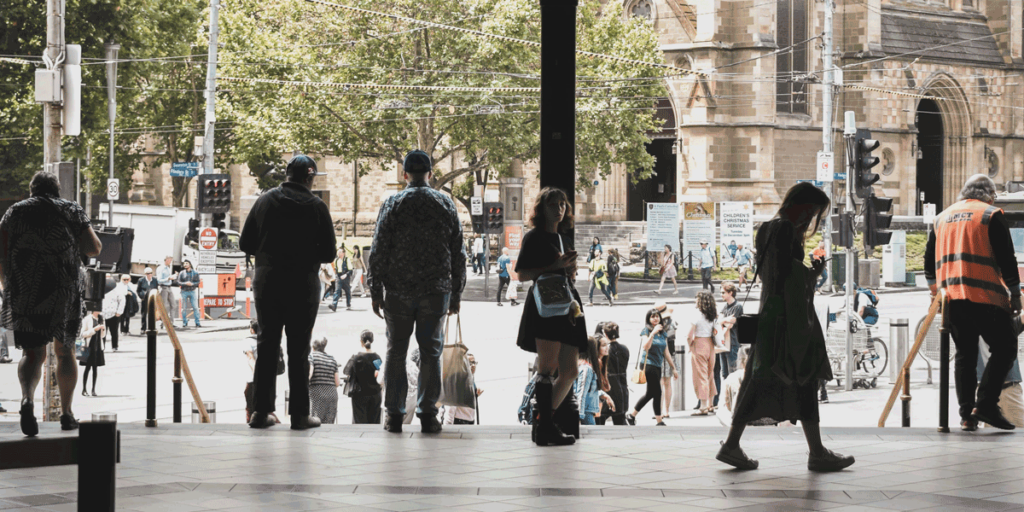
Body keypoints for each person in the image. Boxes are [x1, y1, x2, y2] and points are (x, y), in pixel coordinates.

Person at [718, 181, 854, 472]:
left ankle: (734, 444)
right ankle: (816, 453)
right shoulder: (785, 230)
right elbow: (787, 276)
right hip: (789, 319)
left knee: (759, 381)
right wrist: (812, 274)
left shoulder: (767, 227)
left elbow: (772, 274)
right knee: (802, 378)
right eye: (813, 212)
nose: (811, 220)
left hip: (771, 314)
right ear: (802, 206)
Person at [369, 149, 465, 434]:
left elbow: (379, 249)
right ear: (431, 174)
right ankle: (427, 414)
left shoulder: (393, 203)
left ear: (404, 174)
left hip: (398, 290)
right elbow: (458, 252)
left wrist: (376, 290)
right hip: (435, 291)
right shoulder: (445, 203)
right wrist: (456, 294)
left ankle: (394, 416)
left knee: (396, 352)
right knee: (431, 353)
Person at [0, 170, 103, 435]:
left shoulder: (15, 212)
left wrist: (6, 286)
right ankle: (67, 414)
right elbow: (93, 248)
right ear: (57, 190)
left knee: (32, 353)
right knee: (64, 351)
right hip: (64, 290)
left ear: (32, 190)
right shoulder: (71, 209)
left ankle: (26, 399)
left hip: (26, 290)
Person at [240, 154, 337, 430]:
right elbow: (329, 252)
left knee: (267, 343)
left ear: (287, 174)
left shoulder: (265, 200)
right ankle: (299, 415)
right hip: (302, 285)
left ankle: (260, 412)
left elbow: (245, 241)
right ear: (310, 178)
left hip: (268, 281)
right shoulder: (317, 207)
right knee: (298, 348)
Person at [925, 174, 1020, 431]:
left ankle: (967, 416)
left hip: (952, 301)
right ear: (988, 194)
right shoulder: (990, 214)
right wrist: (1016, 295)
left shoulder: (941, 217)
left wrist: (937, 295)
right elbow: (1008, 260)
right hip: (986, 297)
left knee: (965, 355)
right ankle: (986, 404)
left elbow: (928, 267)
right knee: (1006, 346)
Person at [514, 186, 586, 446]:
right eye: (553, 205)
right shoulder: (534, 237)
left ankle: (544, 421)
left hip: (567, 304)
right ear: (541, 208)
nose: (559, 209)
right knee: (547, 367)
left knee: (570, 370)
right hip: (546, 305)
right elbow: (521, 274)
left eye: (563, 205)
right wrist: (554, 266)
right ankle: (545, 426)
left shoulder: (564, 238)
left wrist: (570, 268)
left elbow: (566, 272)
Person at [625, 308, 672, 426]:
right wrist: (652, 333)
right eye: (653, 316)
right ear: (648, 319)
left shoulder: (663, 333)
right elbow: (646, 347)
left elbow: (666, 352)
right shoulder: (646, 331)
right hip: (648, 364)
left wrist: (673, 367)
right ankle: (659, 420)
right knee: (657, 392)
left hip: (658, 365)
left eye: (657, 316)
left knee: (650, 393)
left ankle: (632, 415)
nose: (656, 318)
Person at [686, 291, 719, 415]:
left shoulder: (697, 315)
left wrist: (690, 344)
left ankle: (703, 406)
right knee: (710, 374)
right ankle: (711, 403)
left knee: (701, 375)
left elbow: (690, 335)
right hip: (711, 344)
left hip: (699, 343)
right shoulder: (713, 314)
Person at [343, 330, 383, 424]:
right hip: (375, 394)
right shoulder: (376, 358)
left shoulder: (356, 358)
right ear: (372, 341)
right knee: (374, 423)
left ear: (361, 342)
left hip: (359, 394)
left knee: (359, 423)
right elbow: (381, 373)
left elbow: (346, 371)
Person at [574, 337, 614, 425]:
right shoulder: (586, 368)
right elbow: (582, 391)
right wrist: (580, 413)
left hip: (586, 410)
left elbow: (588, 390)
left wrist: (605, 395)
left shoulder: (582, 365)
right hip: (586, 411)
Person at [596, 322, 629, 425]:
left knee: (600, 420)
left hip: (608, 389)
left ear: (605, 334)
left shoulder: (605, 351)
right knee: (620, 420)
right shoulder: (625, 349)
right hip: (622, 389)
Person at [653, 302, 680, 418]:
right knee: (667, 383)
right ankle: (666, 411)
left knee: (660, 383)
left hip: (660, 355)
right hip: (670, 354)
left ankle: (659, 411)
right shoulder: (672, 323)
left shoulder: (659, 325)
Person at [308, 337, 340, 424]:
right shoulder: (332, 359)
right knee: (328, 425)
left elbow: (309, 374)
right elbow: (337, 383)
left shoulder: (312, 356)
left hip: (317, 395)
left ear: (313, 347)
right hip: (332, 395)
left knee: (316, 423)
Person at [445, 353, 483, 424]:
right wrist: (448, 427)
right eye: (470, 363)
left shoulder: (470, 381)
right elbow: (451, 408)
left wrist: (475, 395)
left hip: (470, 422)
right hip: (459, 422)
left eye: (474, 362)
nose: (473, 365)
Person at [717, 346, 750, 427]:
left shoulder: (734, 377)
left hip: (740, 419)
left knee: (720, 412)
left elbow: (725, 403)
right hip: (769, 418)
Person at [79, 310, 105, 397]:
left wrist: (103, 329)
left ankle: (93, 389)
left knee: (95, 368)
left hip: (97, 346)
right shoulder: (87, 319)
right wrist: (94, 329)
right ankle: (84, 389)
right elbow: (82, 334)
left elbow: (102, 336)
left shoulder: (101, 318)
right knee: (87, 368)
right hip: (88, 346)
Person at [719, 282, 743, 376]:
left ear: (730, 293)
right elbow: (717, 322)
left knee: (732, 372)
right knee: (724, 373)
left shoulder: (737, 306)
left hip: (732, 343)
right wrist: (725, 320)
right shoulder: (725, 306)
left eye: (723, 292)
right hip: (723, 342)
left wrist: (723, 321)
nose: (721, 295)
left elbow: (730, 325)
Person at [102, 275, 126, 351]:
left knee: (114, 331)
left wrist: (119, 312)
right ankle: (102, 347)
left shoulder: (117, 289)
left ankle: (114, 346)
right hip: (102, 314)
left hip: (113, 314)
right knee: (102, 332)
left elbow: (122, 300)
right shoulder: (100, 288)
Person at [155, 256, 178, 329]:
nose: (171, 261)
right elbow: (159, 280)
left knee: (173, 305)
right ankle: (163, 323)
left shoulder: (168, 268)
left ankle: (171, 322)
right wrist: (168, 278)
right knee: (164, 306)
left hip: (169, 287)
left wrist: (174, 276)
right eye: (170, 260)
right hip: (163, 287)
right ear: (166, 260)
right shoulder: (161, 268)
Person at [178, 261, 201, 328]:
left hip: (192, 291)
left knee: (195, 307)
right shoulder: (182, 273)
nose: (185, 265)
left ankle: (197, 322)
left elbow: (198, 281)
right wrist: (185, 283)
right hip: (184, 291)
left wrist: (193, 284)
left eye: (186, 263)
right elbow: (178, 282)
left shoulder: (195, 273)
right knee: (183, 308)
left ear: (190, 264)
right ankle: (185, 322)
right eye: (184, 264)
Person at [136, 268, 159, 332]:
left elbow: (156, 289)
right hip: (145, 299)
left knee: (152, 314)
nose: (149, 275)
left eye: (151, 273)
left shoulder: (155, 280)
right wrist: (142, 297)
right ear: (145, 274)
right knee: (144, 314)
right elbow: (138, 290)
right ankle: (143, 328)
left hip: (152, 299)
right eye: (148, 273)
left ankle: (152, 327)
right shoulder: (141, 280)